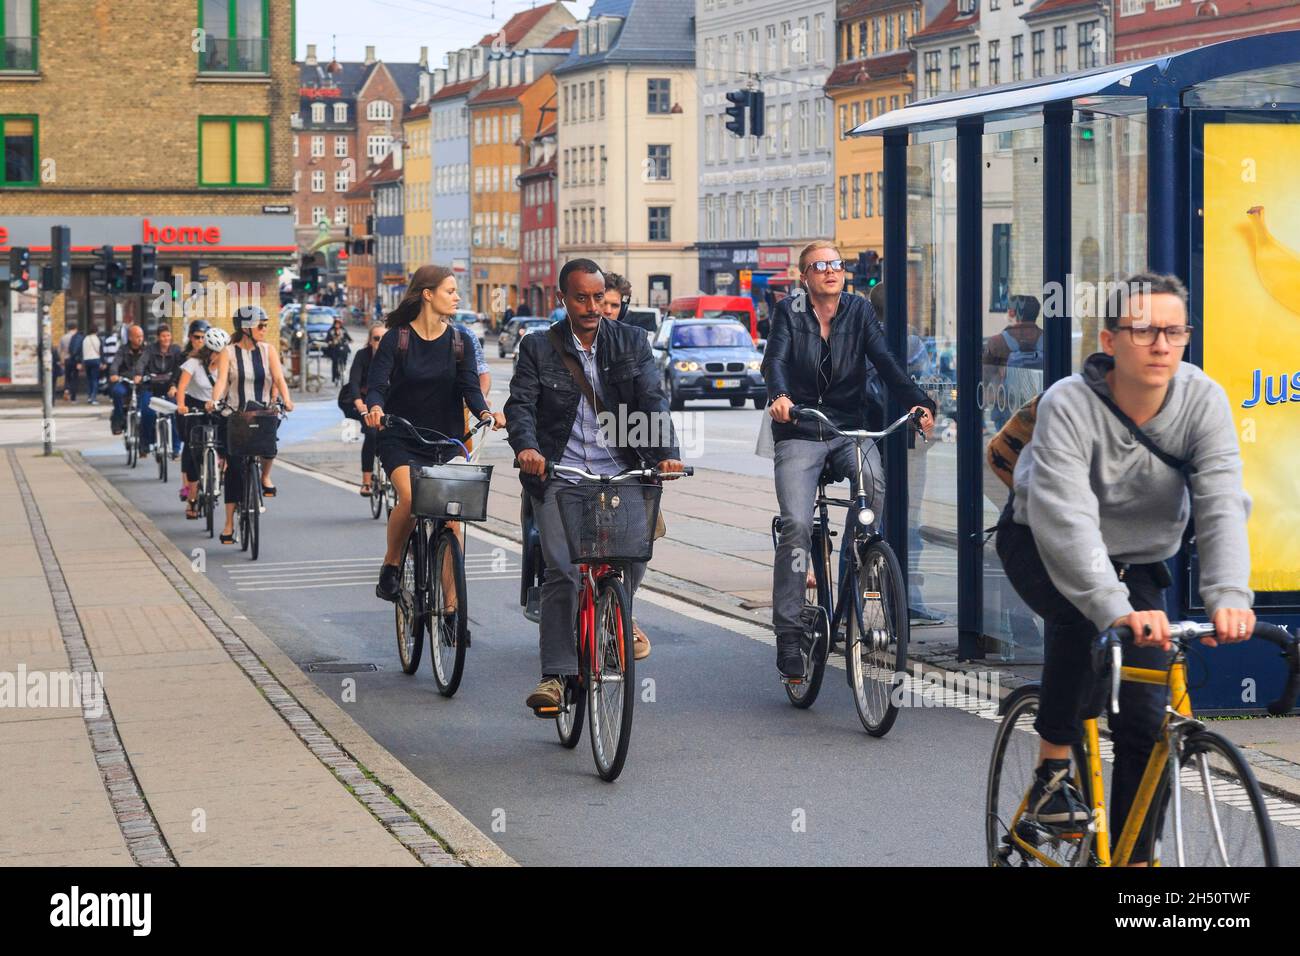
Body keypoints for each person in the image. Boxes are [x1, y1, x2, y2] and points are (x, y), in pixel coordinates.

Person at [996, 272, 1253, 860]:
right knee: (1082, 616)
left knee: (1144, 718)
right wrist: (1114, 608)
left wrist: (1228, 594)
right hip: (1038, 538)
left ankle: (1133, 859)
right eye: (1143, 331)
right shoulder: (1069, 403)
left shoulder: (1203, 401)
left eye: (1173, 331)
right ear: (1110, 341)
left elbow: (1220, 501)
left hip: (1137, 557)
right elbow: (1067, 519)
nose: (1161, 344)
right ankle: (1053, 769)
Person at [506, 258, 683, 713]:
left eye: (597, 298)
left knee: (633, 556)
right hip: (560, 474)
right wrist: (527, 448)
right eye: (580, 298)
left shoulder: (631, 341)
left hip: (620, 469)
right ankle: (557, 677)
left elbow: (652, 399)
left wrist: (665, 451)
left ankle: (613, 614)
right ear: (562, 299)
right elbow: (521, 404)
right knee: (563, 570)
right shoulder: (538, 348)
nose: (591, 307)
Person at [763, 242, 936, 678]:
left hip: (845, 428)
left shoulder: (859, 312)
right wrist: (780, 397)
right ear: (805, 275)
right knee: (797, 525)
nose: (831, 271)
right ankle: (788, 631)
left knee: (873, 486)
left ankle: (859, 562)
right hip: (800, 429)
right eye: (820, 265)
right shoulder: (790, 312)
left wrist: (918, 402)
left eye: (837, 264)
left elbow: (887, 362)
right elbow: (775, 361)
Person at [365, 265, 505, 600]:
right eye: (450, 290)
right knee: (413, 497)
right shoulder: (395, 339)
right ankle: (392, 564)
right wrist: (375, 409)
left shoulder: (460, 341)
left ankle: (453, 610)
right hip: (400, 437)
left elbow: (470, 387)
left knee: (452, 519)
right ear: (428, 294)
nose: (457, 297)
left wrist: (485, 412)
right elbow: (377, 386)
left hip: (447, 440)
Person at [211, 306, 295, 544]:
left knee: (270, 446)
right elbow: (221, 381)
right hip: (236, 415)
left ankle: (265, 477)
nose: (264, 329)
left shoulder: (268, 350)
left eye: (266, 324)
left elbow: (279, 378)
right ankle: (228, 524)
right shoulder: (228, 352)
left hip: (263, 412)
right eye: (261, 325)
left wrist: (287, 400)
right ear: (245, 328)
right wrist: (214, 400)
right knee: (235, 469)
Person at [176, 323, 226, 520]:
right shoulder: (193, 363)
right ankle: (193, 497)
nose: (218, 356)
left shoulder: (226, 363)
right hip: (195, 406)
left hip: (217, 406)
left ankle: (222, 468)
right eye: (215, 352)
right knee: (193, 450)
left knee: (228, 440)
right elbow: (182, 387)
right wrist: (181, 405)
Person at [983, 293, 1044, 431]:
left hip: (1007, 411)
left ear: (1011, 312)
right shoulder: (1049, 339)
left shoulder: (996, 342)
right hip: (1040, 410)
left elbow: (984, 380)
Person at [345, 323, 384, 495]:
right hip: (367, 403)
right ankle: (366, 481)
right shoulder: (362, 356)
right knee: (372, 434)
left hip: (389, 401)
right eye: (376, 338)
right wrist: (358, 402)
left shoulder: (394, 356)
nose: (380, 342)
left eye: (384, 338)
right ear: (370, 341)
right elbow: (354, 381)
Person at [142, 326, 185, 459]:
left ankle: (176, 449)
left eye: (168, 335)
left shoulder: (176, 350)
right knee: (147, 412)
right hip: (152, 387)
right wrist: (138, 374)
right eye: (163, 336)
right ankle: (146, 444)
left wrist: (174, 385)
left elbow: (181, 367)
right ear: (158, 337)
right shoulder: (150, 349)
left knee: (175, 414)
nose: (166, 338)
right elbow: (142, 362)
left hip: (170, 387)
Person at [107, 325, 150, 438]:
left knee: (146, 399)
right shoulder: (123, 350)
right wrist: (114, 374)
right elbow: (115, 363)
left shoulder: (147, 350)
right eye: (137, 337)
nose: (140, 339)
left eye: (141, 336)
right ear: (130, 338)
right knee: (117, 392)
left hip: (142, 383)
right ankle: (118, 420)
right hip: (126, 381)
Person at [59, 322, 82, 403]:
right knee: (75, 378)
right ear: (75, 328)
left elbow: (61, 351)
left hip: (66, 359)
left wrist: (62, 361)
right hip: (75, 360)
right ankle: (73, 398)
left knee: (67, 377)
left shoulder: (63, 337)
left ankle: (66, 390)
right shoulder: (77, 338)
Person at [80, 327, 102, 405]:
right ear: (96, 331)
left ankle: (89, 396)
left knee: (89, 379)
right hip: (95, 360)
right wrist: (102, 361)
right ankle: (93, 397)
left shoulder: (85, 339)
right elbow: (100, 351)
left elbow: (82, 350)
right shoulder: (97, 339)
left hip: (87, 360)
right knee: (95, 379)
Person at [325, 315, 349, 384]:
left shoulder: (343, 330)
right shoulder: (331, 331)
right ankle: (335, 376)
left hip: (342, 347)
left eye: (339, 323)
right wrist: (330, 342)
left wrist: (350, 340)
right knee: (335, 362)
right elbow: (327, 340)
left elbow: (348, 337)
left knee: (346, 352)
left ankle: (343, 366)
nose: (337, 325)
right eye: (336, 323)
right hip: (334, 348)